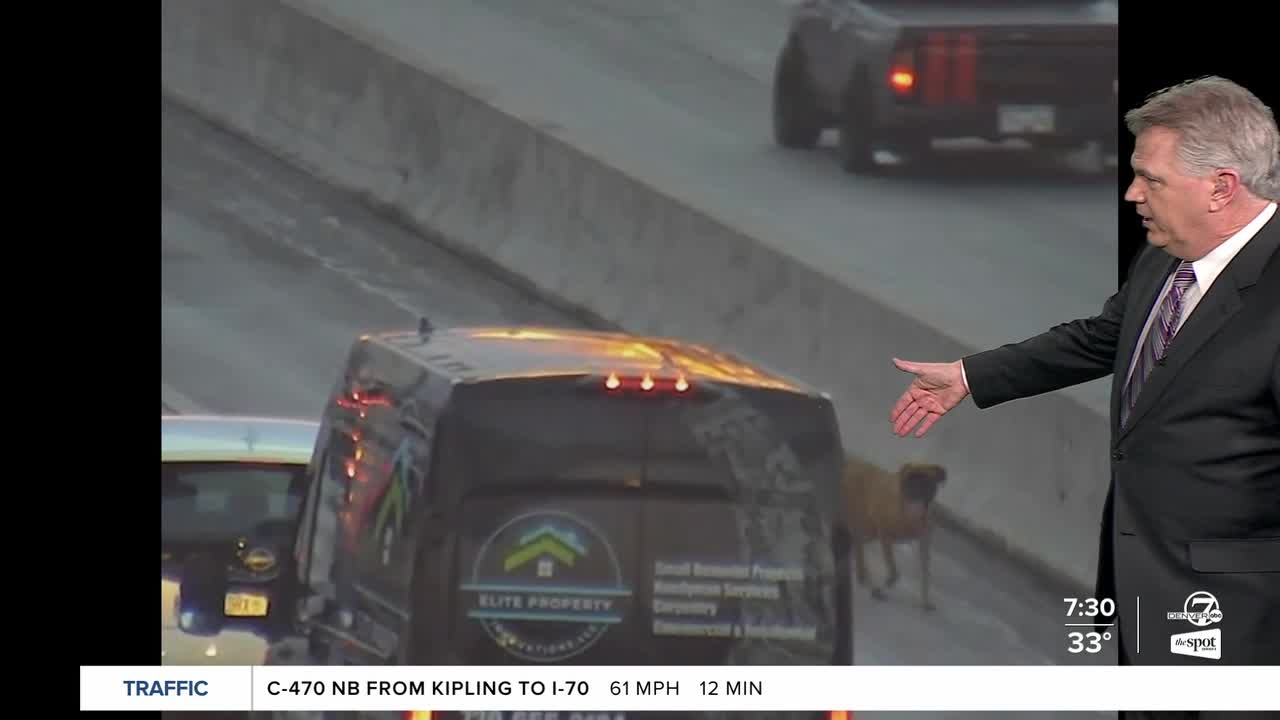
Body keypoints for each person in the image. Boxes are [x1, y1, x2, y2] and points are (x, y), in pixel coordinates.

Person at [888, 76, 1279, 681]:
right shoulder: (1165, 257)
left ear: (1221, 188)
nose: (1132, 195)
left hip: (1242, 617)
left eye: (1151, 179)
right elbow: (1103, 338)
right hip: (1149, 596)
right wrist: (971, 376)